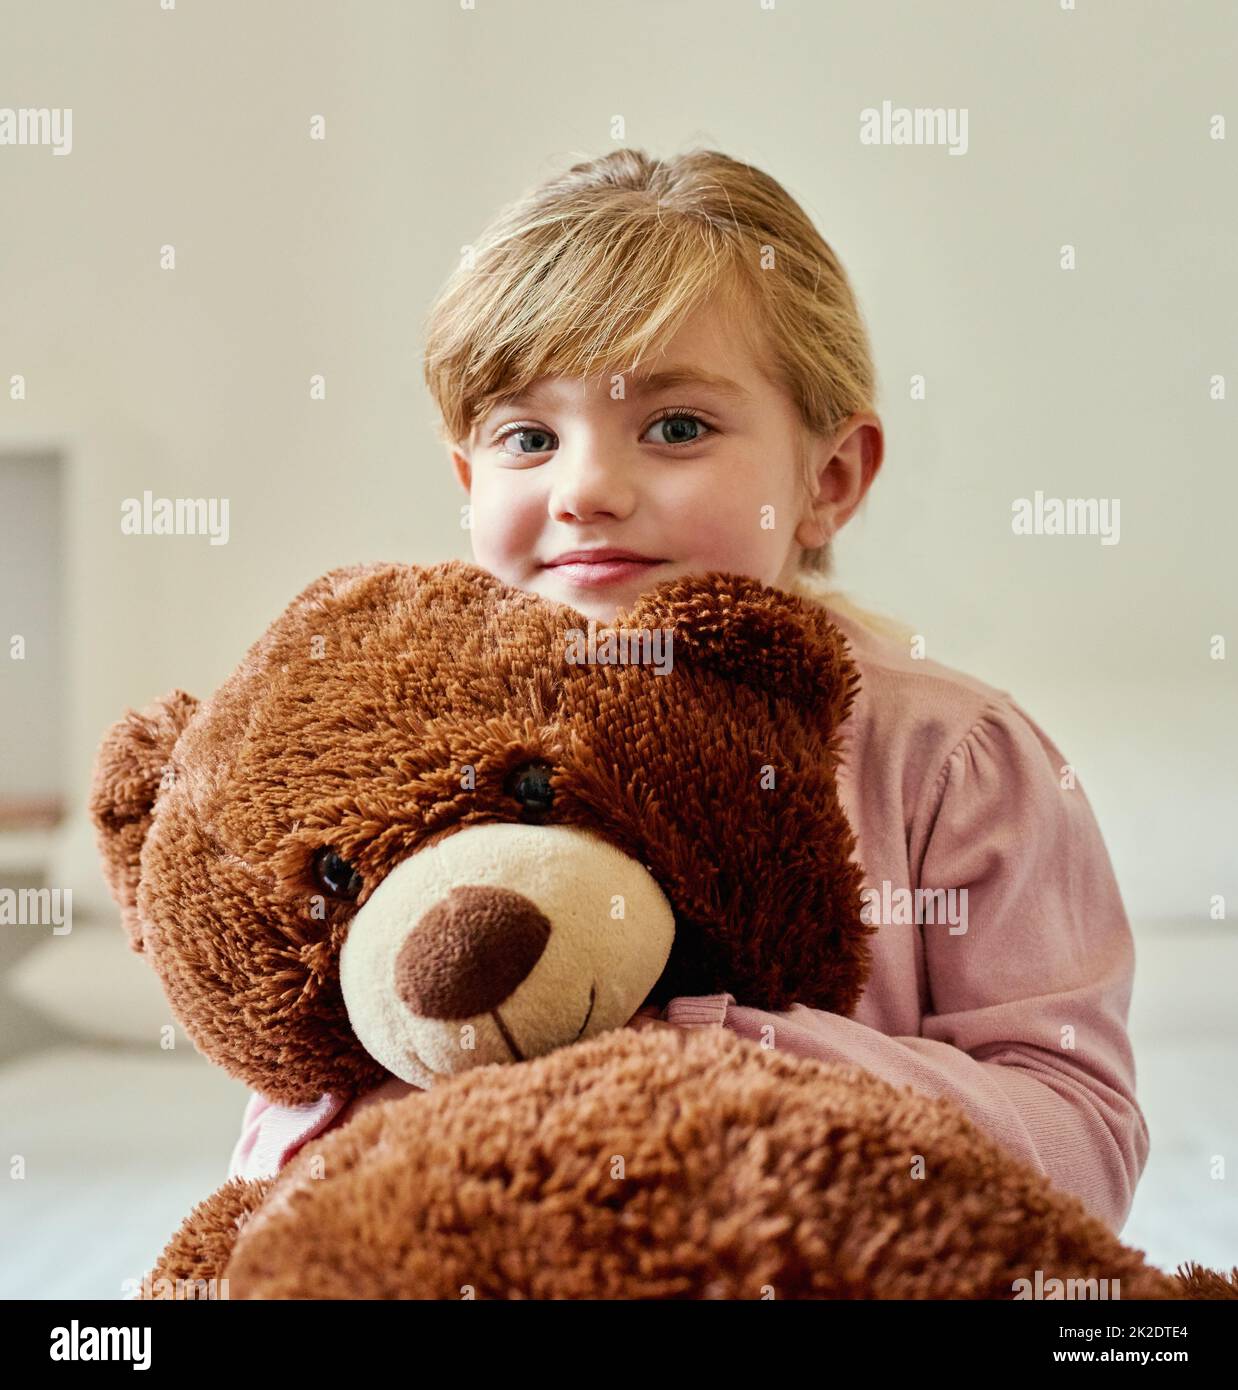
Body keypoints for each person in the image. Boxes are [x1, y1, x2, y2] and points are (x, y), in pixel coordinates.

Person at [233, 147, 1148, 1237]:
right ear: (469, 484)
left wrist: (702, 1051)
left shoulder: (951, 758)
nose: (585, 490)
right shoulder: (411, 766)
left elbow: (1078, 1140)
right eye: (528, 437)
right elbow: (283, 1138)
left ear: (829, 478)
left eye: (675, 427)